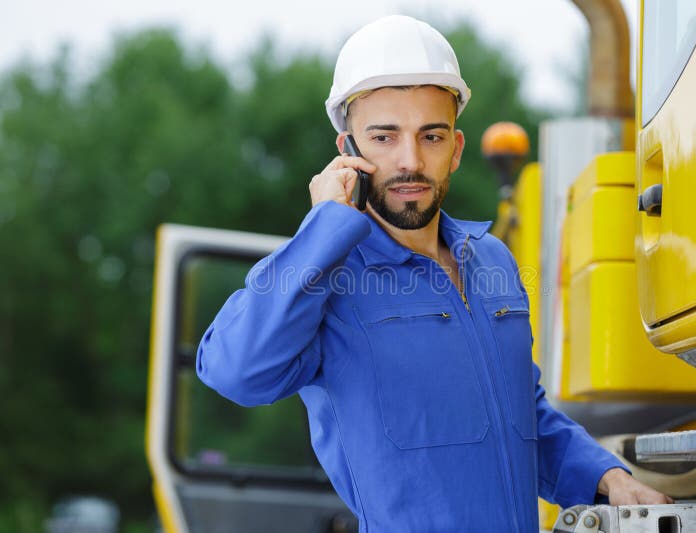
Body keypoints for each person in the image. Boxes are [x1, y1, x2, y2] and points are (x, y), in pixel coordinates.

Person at [196, 15, 671, 532]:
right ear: (347, 152)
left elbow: (521, 417)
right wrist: (323, 228)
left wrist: (606, 476)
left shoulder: (492, 260)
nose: (411, 161)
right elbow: (234, 371)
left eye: (431, 136)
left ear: (456, 149)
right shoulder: (326, 276)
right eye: (384, 137)